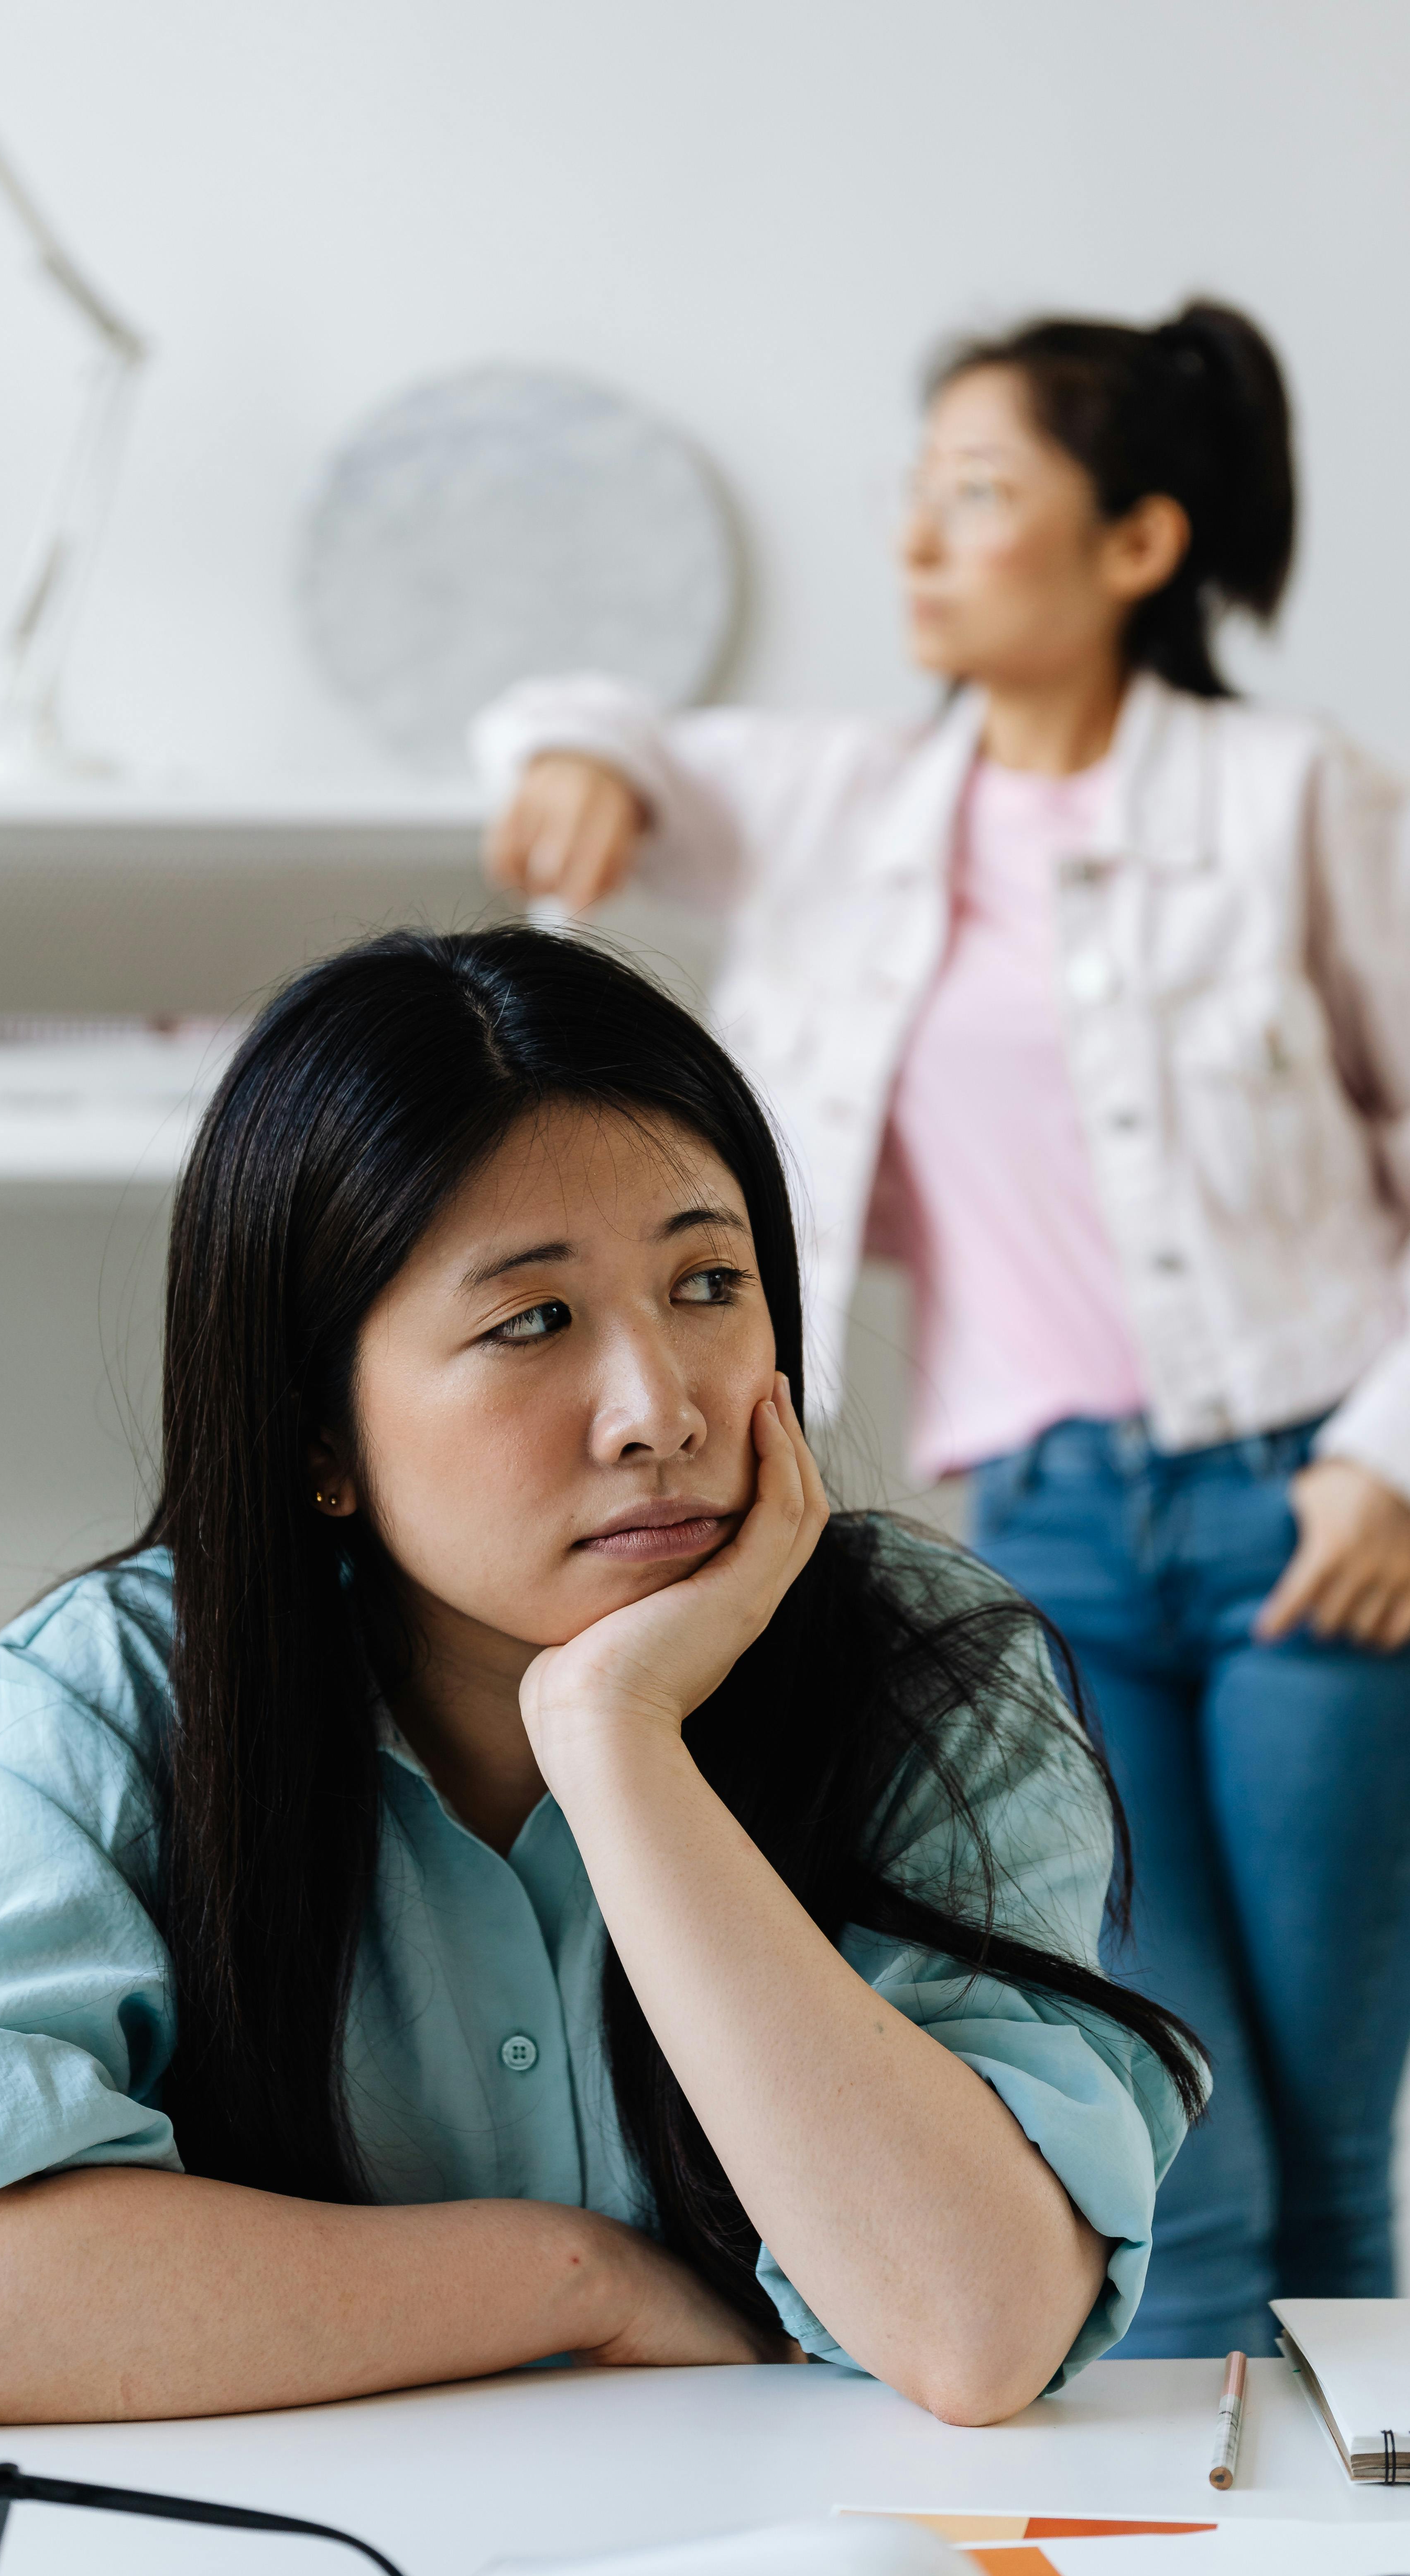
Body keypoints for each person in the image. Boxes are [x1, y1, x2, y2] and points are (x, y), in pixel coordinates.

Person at [0, 927, 1198, 2431]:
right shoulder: (121, 1688)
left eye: (709, 1282)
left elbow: (977, 2325)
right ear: (319, 1433)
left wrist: (617, 1738)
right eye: (533, 1321)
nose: (658, 1410)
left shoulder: (930, 1665)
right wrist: (577, 2280)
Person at [476, 300, 1410, 2361]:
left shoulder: (1294, 795)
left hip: (1319, 1510)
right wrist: (572, 756)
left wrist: (1392, 1456)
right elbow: (582, 713)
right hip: (1048, 1531)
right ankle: (1188, 2529)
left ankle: (1354, 2522)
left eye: (976, 494)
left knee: (1335, 2140)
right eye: (913, 492)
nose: (916, 538)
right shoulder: (845, 800)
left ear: (1138, 541)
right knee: (1180, 2122)